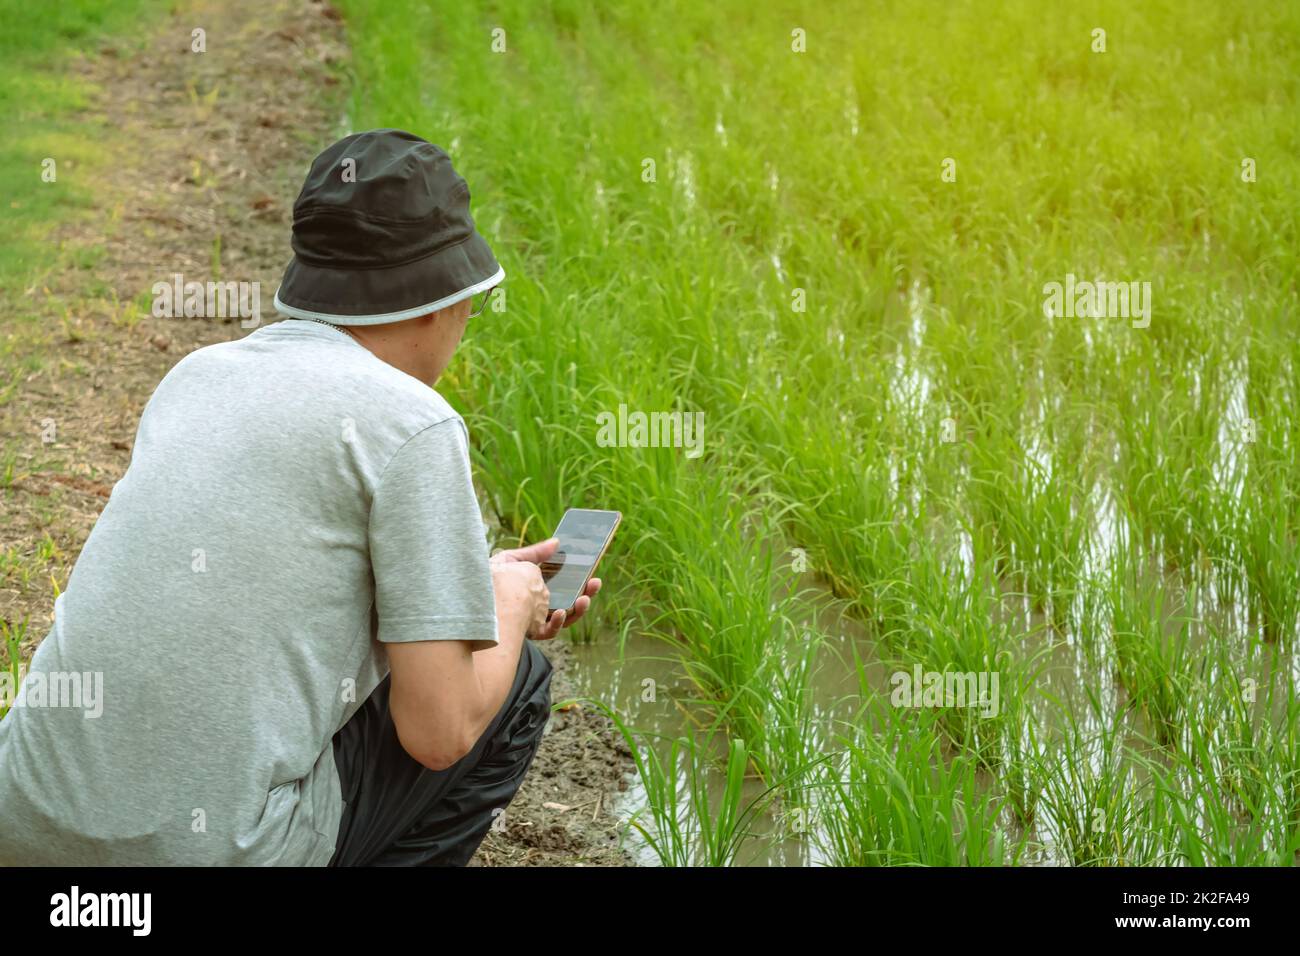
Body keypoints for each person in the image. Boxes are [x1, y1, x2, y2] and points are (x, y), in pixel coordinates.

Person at [0, 128, 598, 866]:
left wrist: (473, 584)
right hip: (215, 853)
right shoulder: (415, 423)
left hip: (23, 820)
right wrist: (507, 604)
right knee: (519, 681)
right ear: (443, 298)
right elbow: (438, 733)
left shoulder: (196, 376)